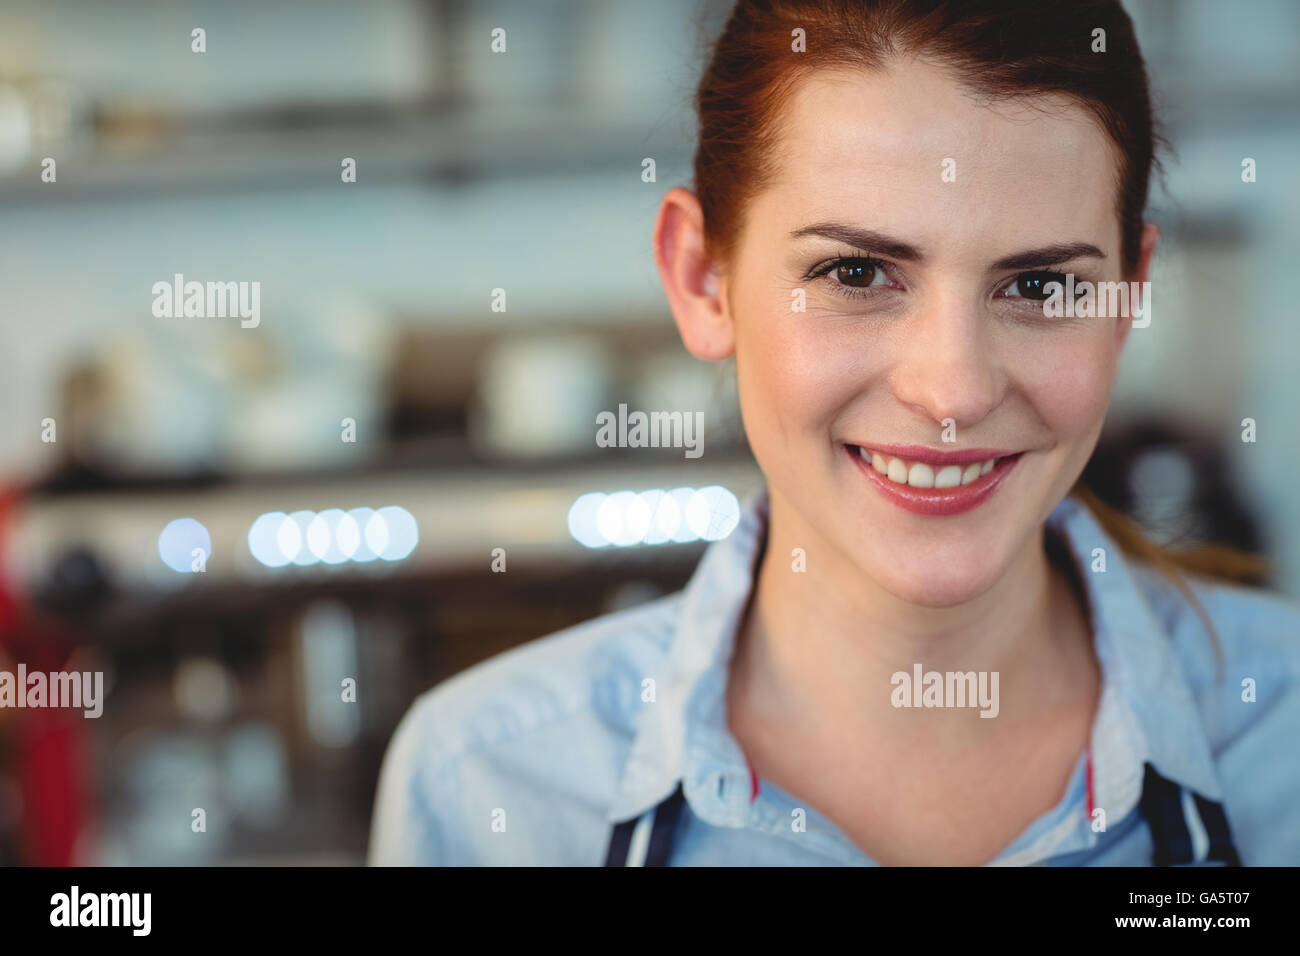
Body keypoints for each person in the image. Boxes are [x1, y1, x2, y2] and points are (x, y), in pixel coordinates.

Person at [368, 0, 1300, 866]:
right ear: (703, 279)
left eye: (1041, 286)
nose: (952, 390)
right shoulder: (487, 789)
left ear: (1128, 293)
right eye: (857, 274)